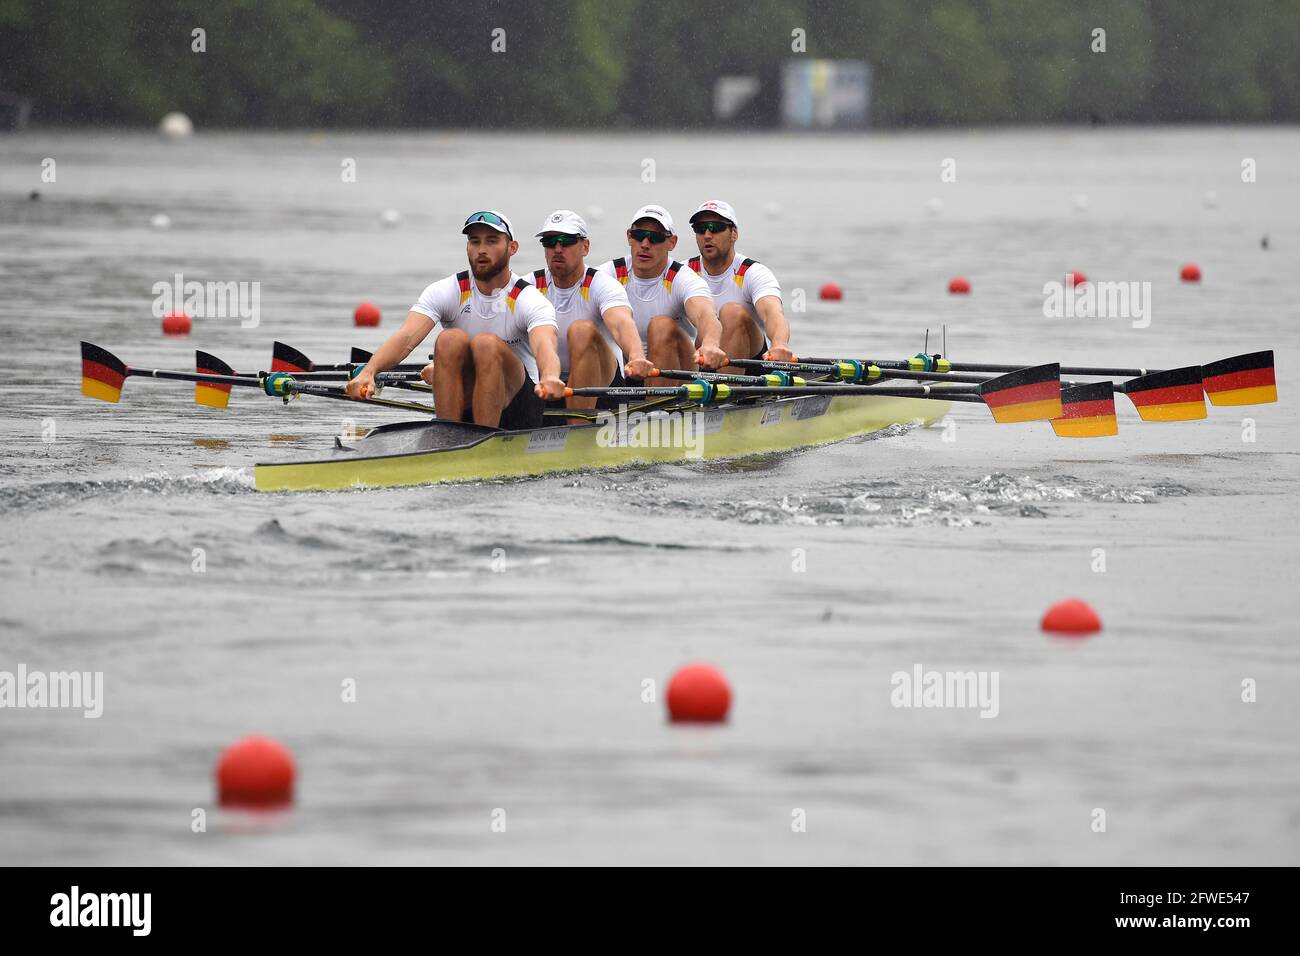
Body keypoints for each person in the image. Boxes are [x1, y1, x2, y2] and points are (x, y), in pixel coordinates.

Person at [346, 211, 563, 429]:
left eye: (492, 241)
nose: (482, 250)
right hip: (467, 400)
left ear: (512, 248)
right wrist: (369, 372)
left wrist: (551, 376)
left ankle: (479, 439)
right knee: (449, 339)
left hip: (519, 408)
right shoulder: (448, 290)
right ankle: (448, 432)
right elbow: (406, 337)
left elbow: (545, 345)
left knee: (486, 343)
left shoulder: (527, 298)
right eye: (474, 241)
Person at [530, 210, 653, 421]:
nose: (558, 249)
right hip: (546, 386)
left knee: (581, 330)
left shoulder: (602, 285)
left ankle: (576, 432)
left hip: (603, 389)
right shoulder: (529, 287)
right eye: (550, 242)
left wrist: (636, 355)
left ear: (585, 247)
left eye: (566, 241)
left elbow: (621, 323)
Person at [597, 204, 727, 385]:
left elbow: (706, 314)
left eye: (655, 238)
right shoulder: (607, 274)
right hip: (624, 370)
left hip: (677, 370)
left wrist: (710, 343)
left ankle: (659, 410)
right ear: (629, 237)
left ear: (671, 242)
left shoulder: (682, 278)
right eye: (639, 236)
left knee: (661, 325)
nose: (645, 245)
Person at [686, 200, 793, 367]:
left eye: (716, 227)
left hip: (749, 364)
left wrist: (779, 344)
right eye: (700, 228)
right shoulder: (684, 272)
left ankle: (729, 389)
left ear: (734, 233)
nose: (707, 235)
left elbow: (773, 313)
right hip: (697, 360)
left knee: (731, 311)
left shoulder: (753, 272)